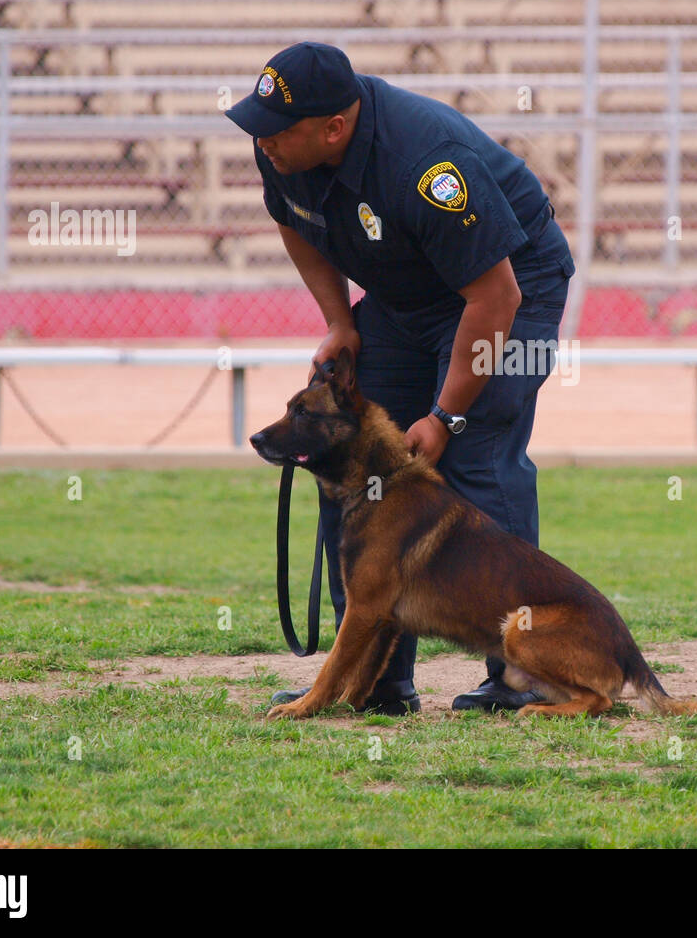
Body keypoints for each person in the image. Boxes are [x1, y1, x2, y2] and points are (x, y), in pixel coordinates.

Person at [226, 42, 574, 715]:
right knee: (353, 458)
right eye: (259, 129)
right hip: (406, 298)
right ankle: (372, 680)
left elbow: (493, 298)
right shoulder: (284, 147)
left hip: (506, 288)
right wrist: (339, 321)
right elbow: (293, 222)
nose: (261, 142)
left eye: (276, 131)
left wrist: (444, 417)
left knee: (477, 460)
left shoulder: (424, 163)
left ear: (334, 128)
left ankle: (520, 673)